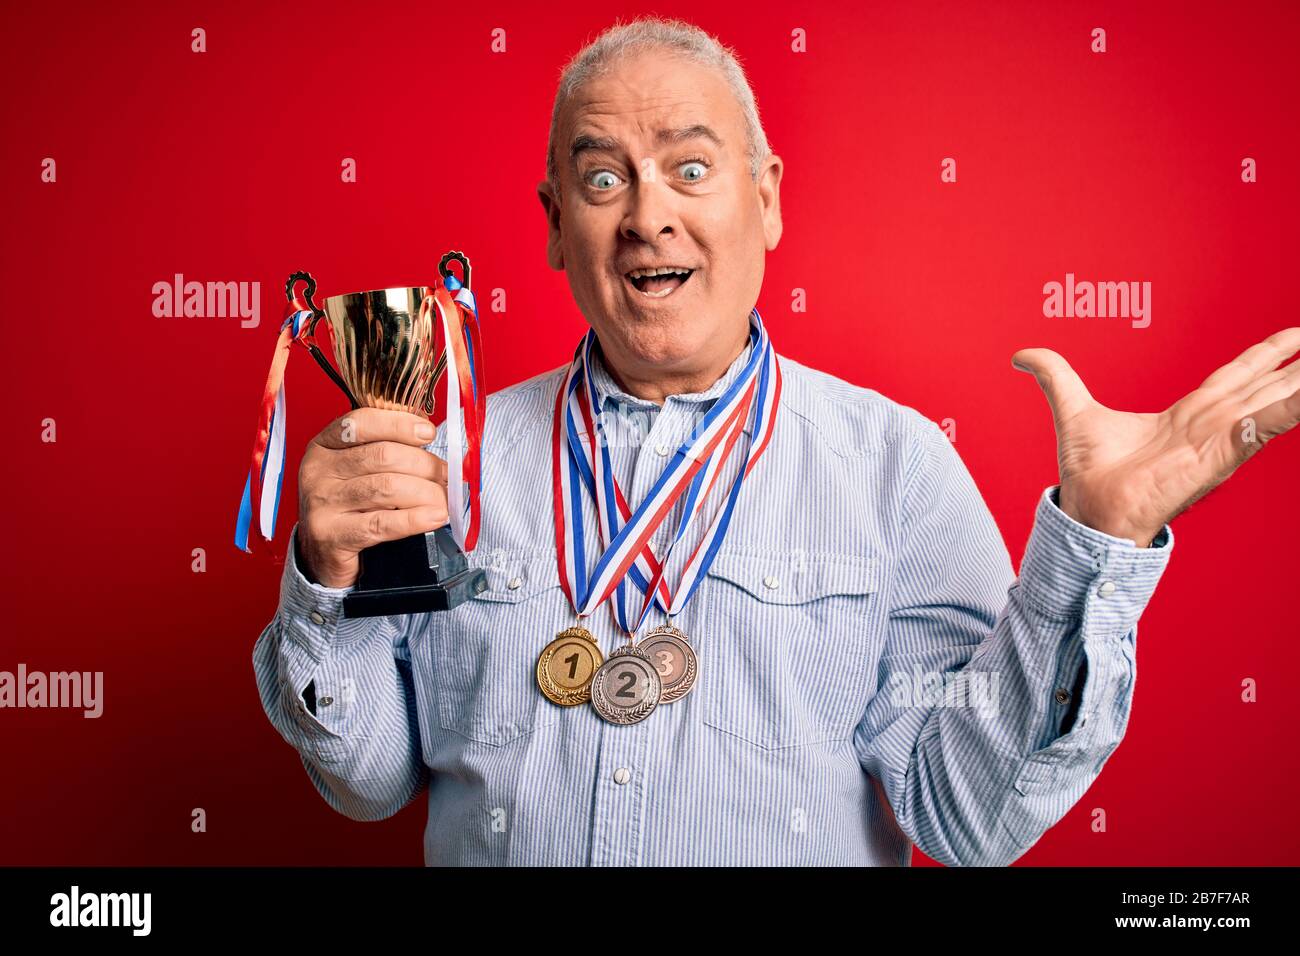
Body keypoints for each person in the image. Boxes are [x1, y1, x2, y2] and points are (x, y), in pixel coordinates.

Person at [251, 16, 1300, 866]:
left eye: (691, 169)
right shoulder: (439, 463)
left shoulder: (896, 470)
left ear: (767, 199)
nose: (646, 215)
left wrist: (1094, 543)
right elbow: (368, 780)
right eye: (603, 179)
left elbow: (963, 812)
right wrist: (324, 576)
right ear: (553, 223)